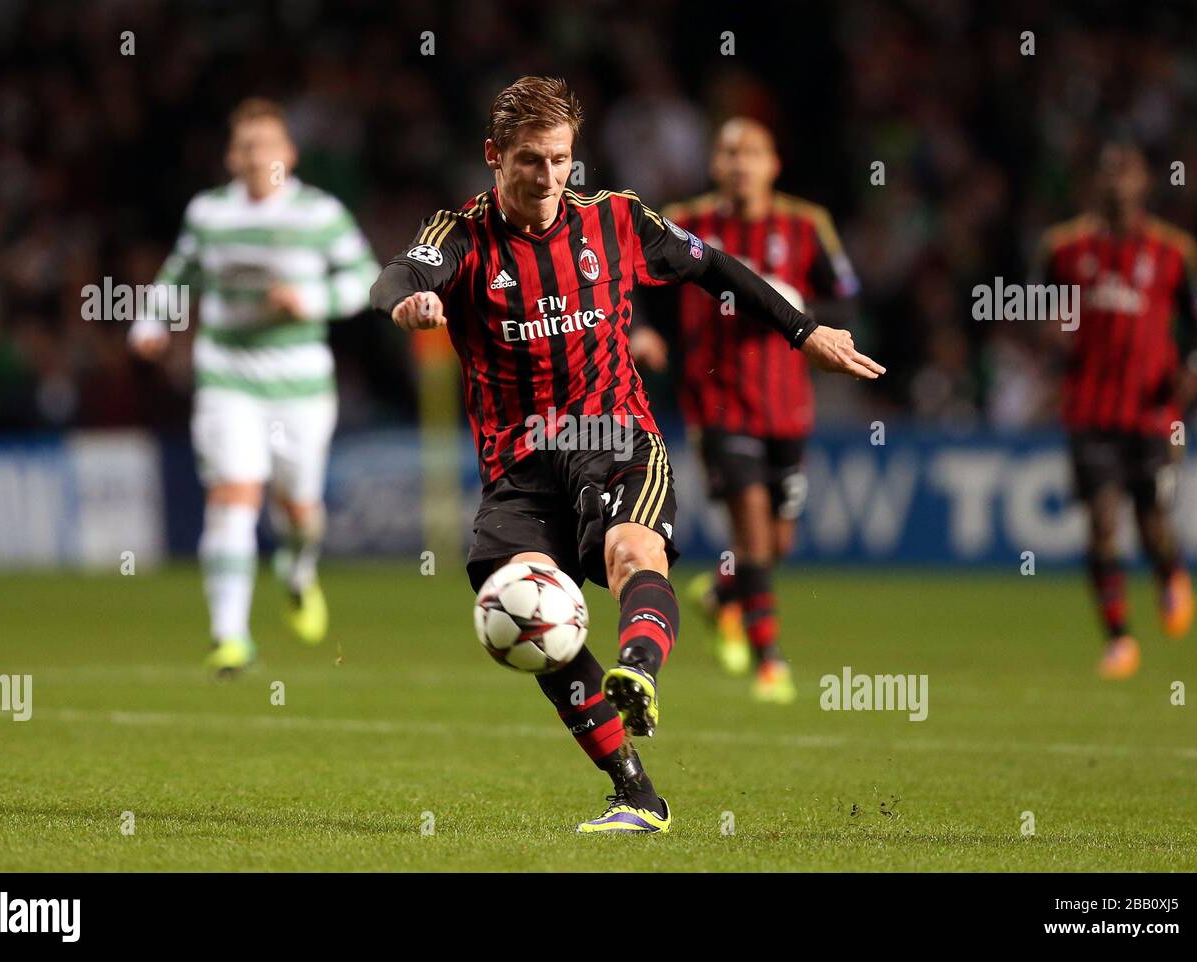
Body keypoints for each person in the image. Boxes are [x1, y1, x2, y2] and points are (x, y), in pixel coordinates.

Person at [370, 76, 882, 833]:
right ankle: (636, 792)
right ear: (493, 157)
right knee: (534, 627)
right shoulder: (460, 232)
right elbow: (398, 274)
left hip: (616, 436)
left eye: (559, 160)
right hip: (518, 465)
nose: (547, 180)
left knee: (632, 552)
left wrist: (807, 332)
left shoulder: (616, 219)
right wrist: (409, 303)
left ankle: (638, 669)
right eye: (529, 162)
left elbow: (717, 267)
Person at [129, 97, 378, 675]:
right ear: (231, 156)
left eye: (267, 144)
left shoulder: (319, 214)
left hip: (300, 382)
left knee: (299, 510)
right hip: (227, 376)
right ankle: (230, 636)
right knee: (233, 498)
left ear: (288, 153)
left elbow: (368, 280)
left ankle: (297, 570)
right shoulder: (209, 213)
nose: (256, 155)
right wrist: (149, 323)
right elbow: (177, 277)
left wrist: (311, 299)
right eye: (246, 146)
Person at [632, 117, 860, 703]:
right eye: (729, 152)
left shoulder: (807, 225)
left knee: (776, 545)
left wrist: (805, 309)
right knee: (752, 526)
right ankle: (770, 659)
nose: (740, 164)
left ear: (773, 164)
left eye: (751, 152)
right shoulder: (686, 222)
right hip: (717, 400)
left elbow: (847, 292)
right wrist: (643, 331)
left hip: (787, 404)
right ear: (714, 163)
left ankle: (719, 597)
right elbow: (635, 284)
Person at [1033, 141, 1197, 680]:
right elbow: (1042, 309)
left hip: (1153, 411)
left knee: (1152, 519)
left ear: (1143, 183)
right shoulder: (1064, 246)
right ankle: (1118, 638)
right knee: (1102, 524)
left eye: (1126, 173)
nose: (1116, 183)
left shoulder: (1174, 250)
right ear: (1095, 183)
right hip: (1089, 409)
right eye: (1107, 173)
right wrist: (1050, 335)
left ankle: (1170, 573)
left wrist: (1194, 369)